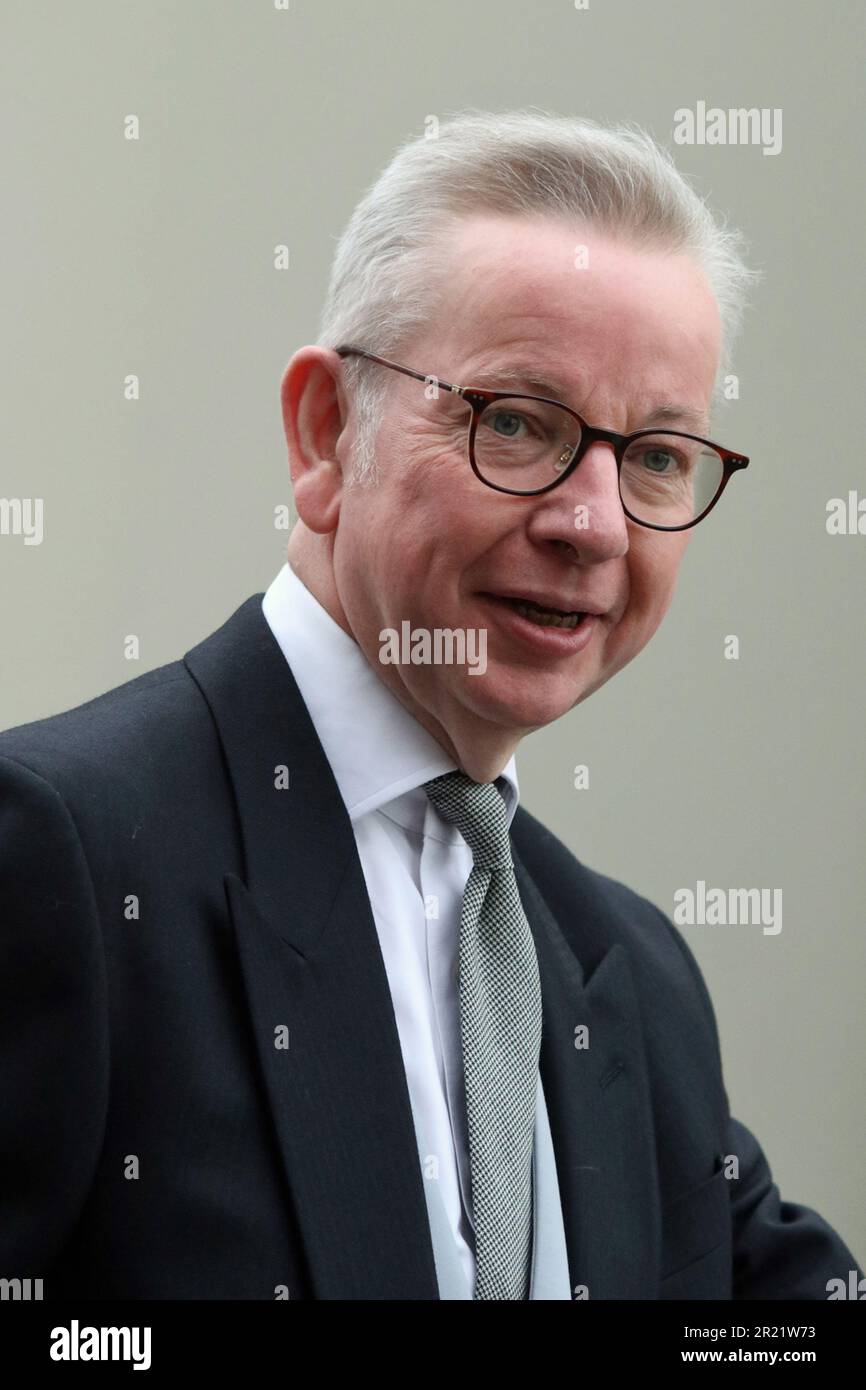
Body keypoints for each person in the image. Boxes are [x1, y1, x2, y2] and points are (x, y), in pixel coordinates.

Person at [0, 110, 860, 1300]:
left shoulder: (631, 973)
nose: (592, 524)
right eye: (515, 423)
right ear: (322, 435)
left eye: (656, 455)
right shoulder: (59, 854)